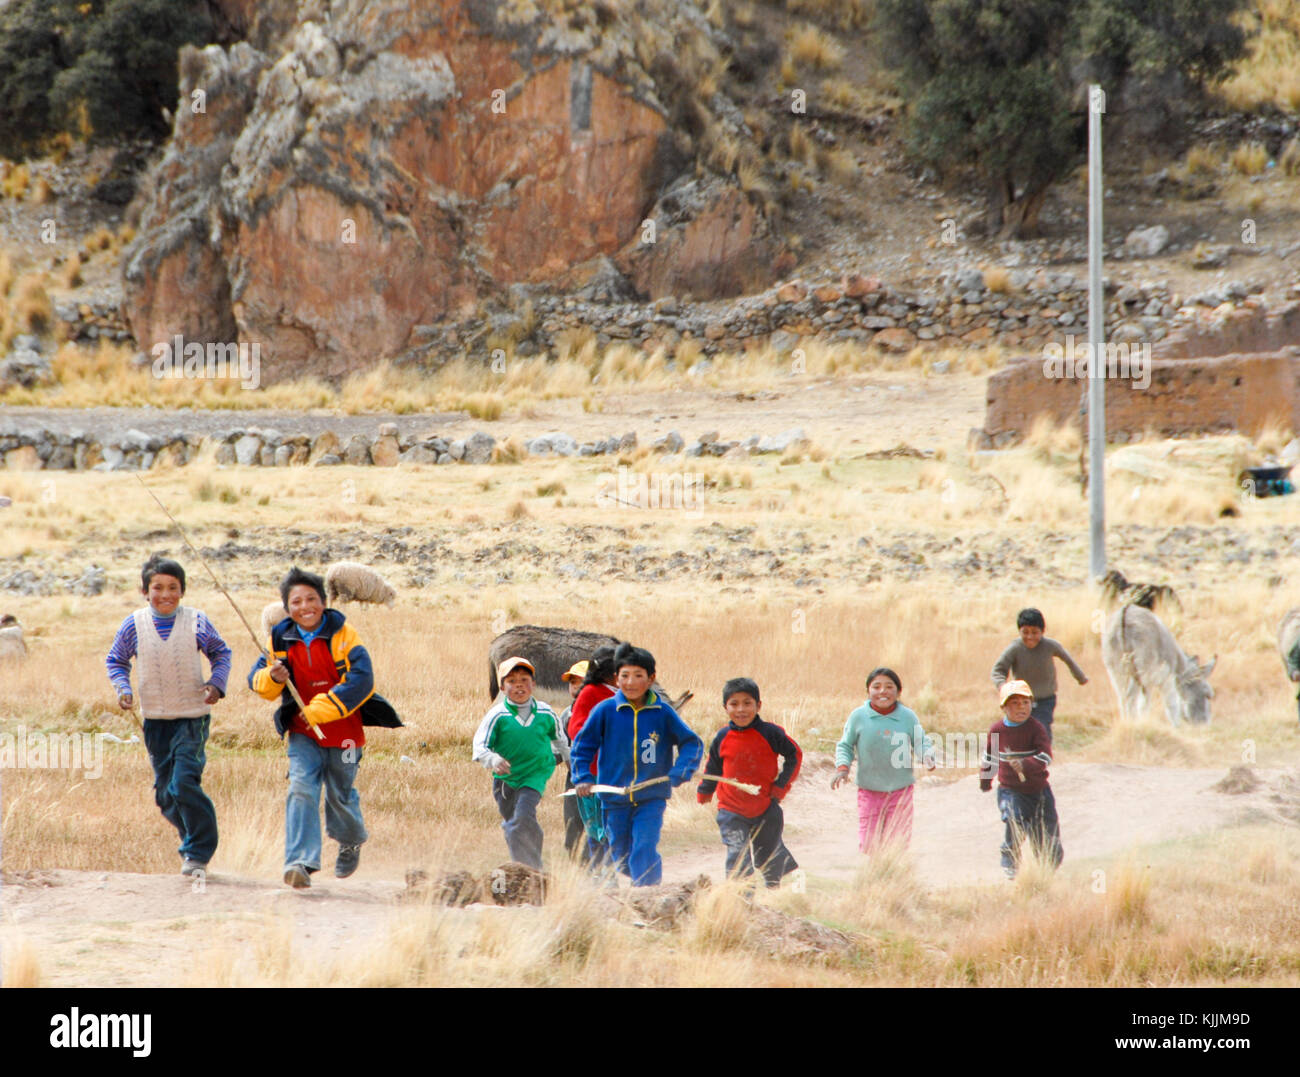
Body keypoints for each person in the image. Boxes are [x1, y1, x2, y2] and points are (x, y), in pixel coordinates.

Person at [248, 567, 401, 889]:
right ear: (287, 606)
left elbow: (362, 680)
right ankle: (300, 862)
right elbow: (257, 681)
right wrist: (271, 679)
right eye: (297, 601)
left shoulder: (344, 635)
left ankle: (351, 840)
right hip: (302, 733)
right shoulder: (279, 638)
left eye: (312, 599)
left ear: (324, 600)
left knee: (340, 796)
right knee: (301, 788)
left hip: (346, 736)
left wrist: (321, 708)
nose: (305, 607)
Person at [105, 554, 231, 876]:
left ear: (183, 591)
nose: (165, 594)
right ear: (145, 591)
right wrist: (123, 689)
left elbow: (220, 653)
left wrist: (216, 685)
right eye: (157, 587)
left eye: (173, 587)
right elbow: (116, 660)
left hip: (192, 717)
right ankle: (192, 836)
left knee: (184, 782)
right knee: (165, 796)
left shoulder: (196, 621)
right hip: (155, 721)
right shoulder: (134, 624)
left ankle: (198, 852)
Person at [571, 642, 702, 886]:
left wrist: (681, 770)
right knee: (620, 855)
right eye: (625, 676)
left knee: (644, 846)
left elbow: (691, 743)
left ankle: (648, 896)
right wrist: (582, 777)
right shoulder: (605, 710)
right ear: (616, 678)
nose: (630, 682)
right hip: (613, 798)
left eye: (638, 676)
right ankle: (647, 883)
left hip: (651, 797)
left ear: (651, 679)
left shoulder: (662, 713)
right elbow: (582, 746)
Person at [697, 677, 801, 888]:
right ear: (725, 707)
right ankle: (740, 897)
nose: (741, 709)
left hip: (765, 807)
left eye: (747, 703)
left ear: (758, 705)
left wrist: (781, 786)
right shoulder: (723, 737)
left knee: (768, 854)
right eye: (734, 704)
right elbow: (713, 766)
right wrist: (705, 789)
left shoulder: (770, 733)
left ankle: (778, 891)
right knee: (737, 852)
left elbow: (795, 755)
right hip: (731, 809)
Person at [472, 657, 568, 869]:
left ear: (533, 685)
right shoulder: (498, 715)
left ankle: (526, 868)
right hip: (505, 779)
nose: (519, 685)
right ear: (502, 687)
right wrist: (494, 759)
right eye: (512, 681)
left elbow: (560, 739)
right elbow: (479, 746)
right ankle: (527, 860)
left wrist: (570, 759)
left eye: (524, 680)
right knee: (514, 823)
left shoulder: (545, 712)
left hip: (535, 773)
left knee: (522, 817)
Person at [832, 667, 934, 853]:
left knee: (897, 843)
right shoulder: (858, 717)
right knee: (869, 844)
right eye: (876, 686)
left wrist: (927, 755)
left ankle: (894, 877)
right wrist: (842, 768)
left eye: (889, 686)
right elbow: (845, 745)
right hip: (869, 789)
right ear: (868, 691)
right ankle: (874, 874)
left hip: (900, 789)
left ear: (898, 691)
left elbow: (920, 741)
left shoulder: (907, 717)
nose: (882, 691)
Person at [980, 679, 1062, 879]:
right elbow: (989, 757)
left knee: (1046, 834)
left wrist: (1025, 764)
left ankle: (1046, 870)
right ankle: (1010, 863)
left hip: (1039, 790)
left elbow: (1045, 756)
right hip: (1011, 790)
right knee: (1014, 820)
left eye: (1025, 703)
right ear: (1005, 707)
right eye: (1015, 703)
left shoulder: (1036, 728)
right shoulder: (997, 730)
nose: (1021, 708)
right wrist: (985, 780)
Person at [990, 608, 1088, 744]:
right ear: (1019, 631)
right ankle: (1024, 760)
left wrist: (1081, 678)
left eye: (1035, 632)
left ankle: (1042, 758)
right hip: (1021, 700)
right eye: (1025, 632)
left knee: (1042, 728)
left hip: (1046, 699)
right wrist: (1003, 687)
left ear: (1042, 631)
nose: (1030, 637)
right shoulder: (1015, 648)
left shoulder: (1050, 646)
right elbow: (998, 670)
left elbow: (1068, 660)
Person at [567, 645, 619, 868]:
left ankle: (607, 873)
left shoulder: (623, 695)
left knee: (614, 826)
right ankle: (601, 875)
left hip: (618, 773)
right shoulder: (591, 693)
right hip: (593, 773)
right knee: (598, 828)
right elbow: (576, 730)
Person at [558, 661, 589, 859]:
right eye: (572, 682)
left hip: (598, 778)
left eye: (582, 682)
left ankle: (598, 872)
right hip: (573, 778)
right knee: (572, 825)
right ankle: (575, 873)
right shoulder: (566, 715)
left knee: (596, 827)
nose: (576, 687)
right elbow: (558, 743)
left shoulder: (601, 713)